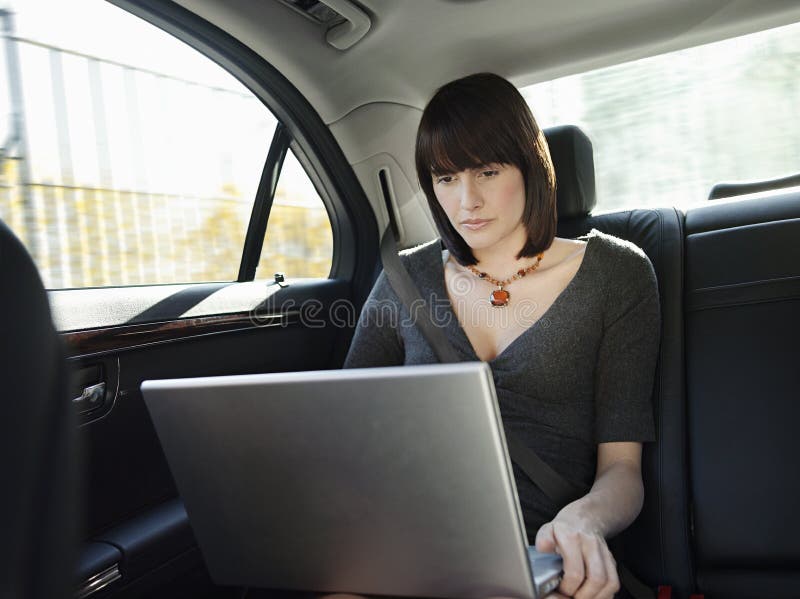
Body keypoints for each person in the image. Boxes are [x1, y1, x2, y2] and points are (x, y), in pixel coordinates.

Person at [343, 72, 661, 599]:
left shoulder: (617, 274)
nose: (466, 200)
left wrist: (584, 521)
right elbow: (340, 434)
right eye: (445, 180)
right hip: (405, 544)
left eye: (487, 171)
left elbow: (623, 469)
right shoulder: (403, 279)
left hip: (541, 552)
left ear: (530, 166)